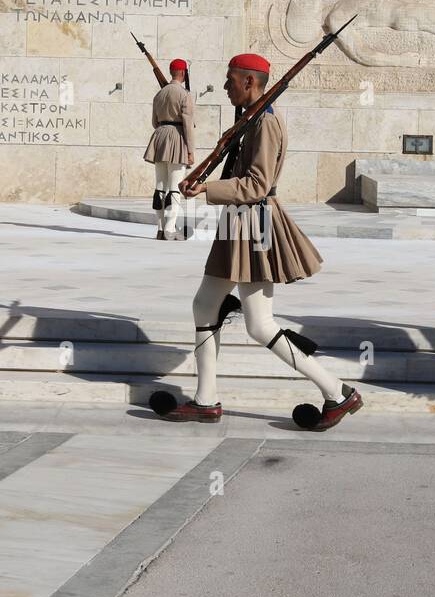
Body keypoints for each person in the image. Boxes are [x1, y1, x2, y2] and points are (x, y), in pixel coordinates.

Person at [148, 53, 362, 431]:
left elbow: (258, 185)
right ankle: (205, 400)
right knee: (204, 306)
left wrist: (207, 188)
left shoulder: (265, 123)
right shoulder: (250, 119)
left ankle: (337, 391)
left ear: (250, 82)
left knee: (260, 325)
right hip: (237, 222)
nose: (226, 86)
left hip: (253, 222)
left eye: (231, 80)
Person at [142, 58, 195, 241]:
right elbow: (188, 124)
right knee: (175, 187)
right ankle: (170, 230)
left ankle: (159, 228)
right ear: (183, 73)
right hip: (177, 137)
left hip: (160, 136)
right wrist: (190, 150)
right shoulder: (184, 94)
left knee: (160, 186)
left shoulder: (160, 93)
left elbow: (154, 122)